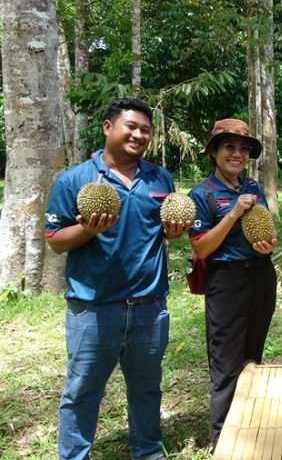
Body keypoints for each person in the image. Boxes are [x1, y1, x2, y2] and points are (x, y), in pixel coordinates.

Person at [45, 97, 192, 460]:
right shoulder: (74, 180)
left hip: (149, 305)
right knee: (81, 391)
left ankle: (148, 451)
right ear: (109, 127)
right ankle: (74, 456)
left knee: (146, 388)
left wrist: (175, 231)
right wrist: (87, 228)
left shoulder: (160, 177)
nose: (138, 135)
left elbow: (162, 231)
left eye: (145, 130)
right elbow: (55, 242)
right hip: (93, 308)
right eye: (131, 127)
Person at [187, 119, 277, 450]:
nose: (237, 154)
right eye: (229, 146)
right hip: (226, 280)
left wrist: (269, 241)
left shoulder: (253, 188)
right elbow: (201, 247)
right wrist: (233, 214)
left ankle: (250, 426)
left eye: (243, 148)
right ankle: (222, 440)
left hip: (262, 275)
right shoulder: (203, 193)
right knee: (226, 361)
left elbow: (266, 229)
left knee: (253, 356)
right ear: (213, 151)